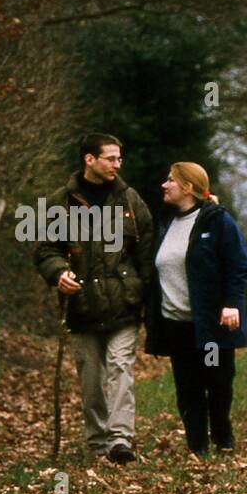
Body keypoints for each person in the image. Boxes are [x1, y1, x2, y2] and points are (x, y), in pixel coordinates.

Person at [34, 133, 155, 464]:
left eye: (120, 159)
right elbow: (46, 249)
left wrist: (146, 297)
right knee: (91, 380)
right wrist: (58, 273)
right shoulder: (61, 202)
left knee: (120, 368)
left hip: (123, 304)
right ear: (90, 159)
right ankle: (98, 440)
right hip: (81, 307)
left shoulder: (130, 201)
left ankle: (120, 439)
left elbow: (145, 253)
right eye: (111, 158)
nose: (118, 164)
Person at [144, 162, 247, 458]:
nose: (164, 185)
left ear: (188, 188)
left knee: (217, 382)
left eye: (171, 181)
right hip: (176, 324)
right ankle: (197, 445)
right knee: (187, 388)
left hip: (211, 324)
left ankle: (222, 438)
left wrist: (231, 303)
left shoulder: (217, 221)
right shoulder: (166, 222)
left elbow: (239, 264)